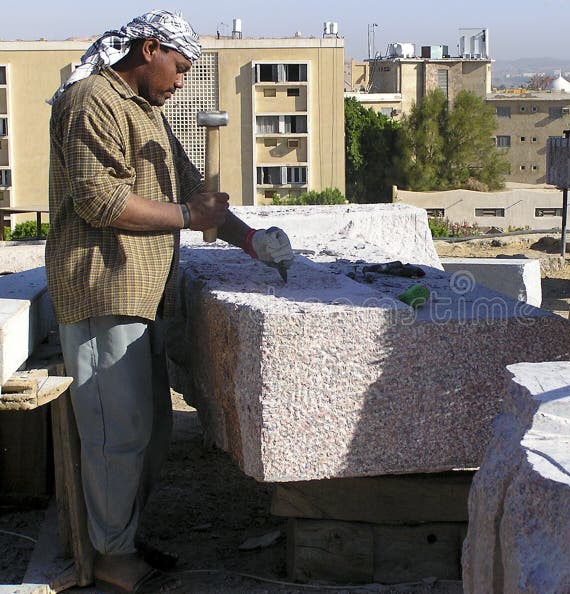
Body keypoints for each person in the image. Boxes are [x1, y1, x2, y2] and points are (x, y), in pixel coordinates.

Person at [45, 10, 293, 592]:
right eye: (179, 67)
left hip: (145, 289)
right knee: (117, 434)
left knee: (152, 433)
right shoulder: (90, 102)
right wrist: (188, 216)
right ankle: (109, 556)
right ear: (149, 48)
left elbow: (191, 191)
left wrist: (250, 240)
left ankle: (122, 536)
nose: (182, 81)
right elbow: (100, 202)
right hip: (102, 286)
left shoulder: (146, 111)